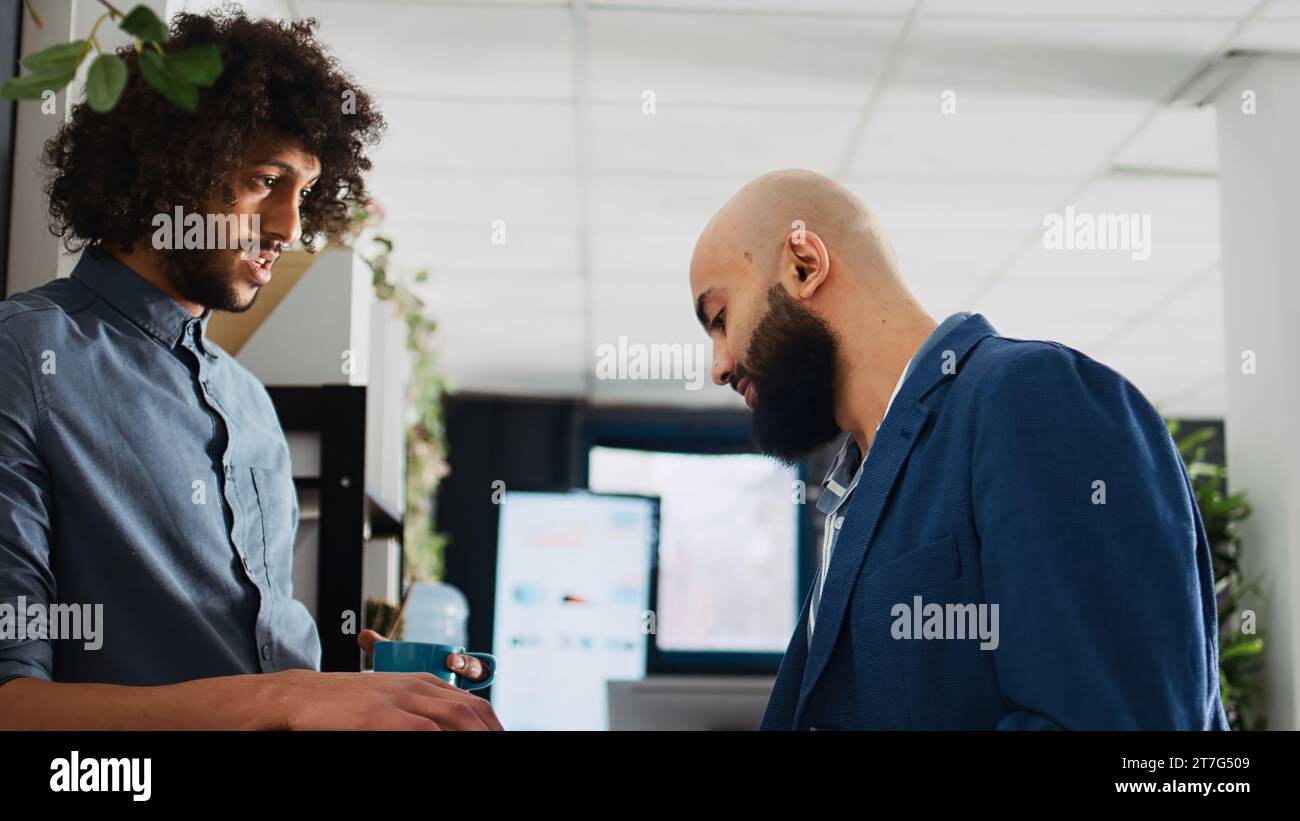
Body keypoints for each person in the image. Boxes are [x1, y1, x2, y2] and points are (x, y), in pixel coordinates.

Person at [0, 10, 500, 731]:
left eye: (304, 191)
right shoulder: (26, 356)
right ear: (169, 165)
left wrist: (374, 692)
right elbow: (13, 706)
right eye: (266, 179)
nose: (291, 227)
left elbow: (248, 679)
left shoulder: (248, 404)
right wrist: (291, 697)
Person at [688, 169, 1228, 730]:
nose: (719, 365)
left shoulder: (1033, 395)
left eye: (721, 318)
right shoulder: (857, 488)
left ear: (805, 265)